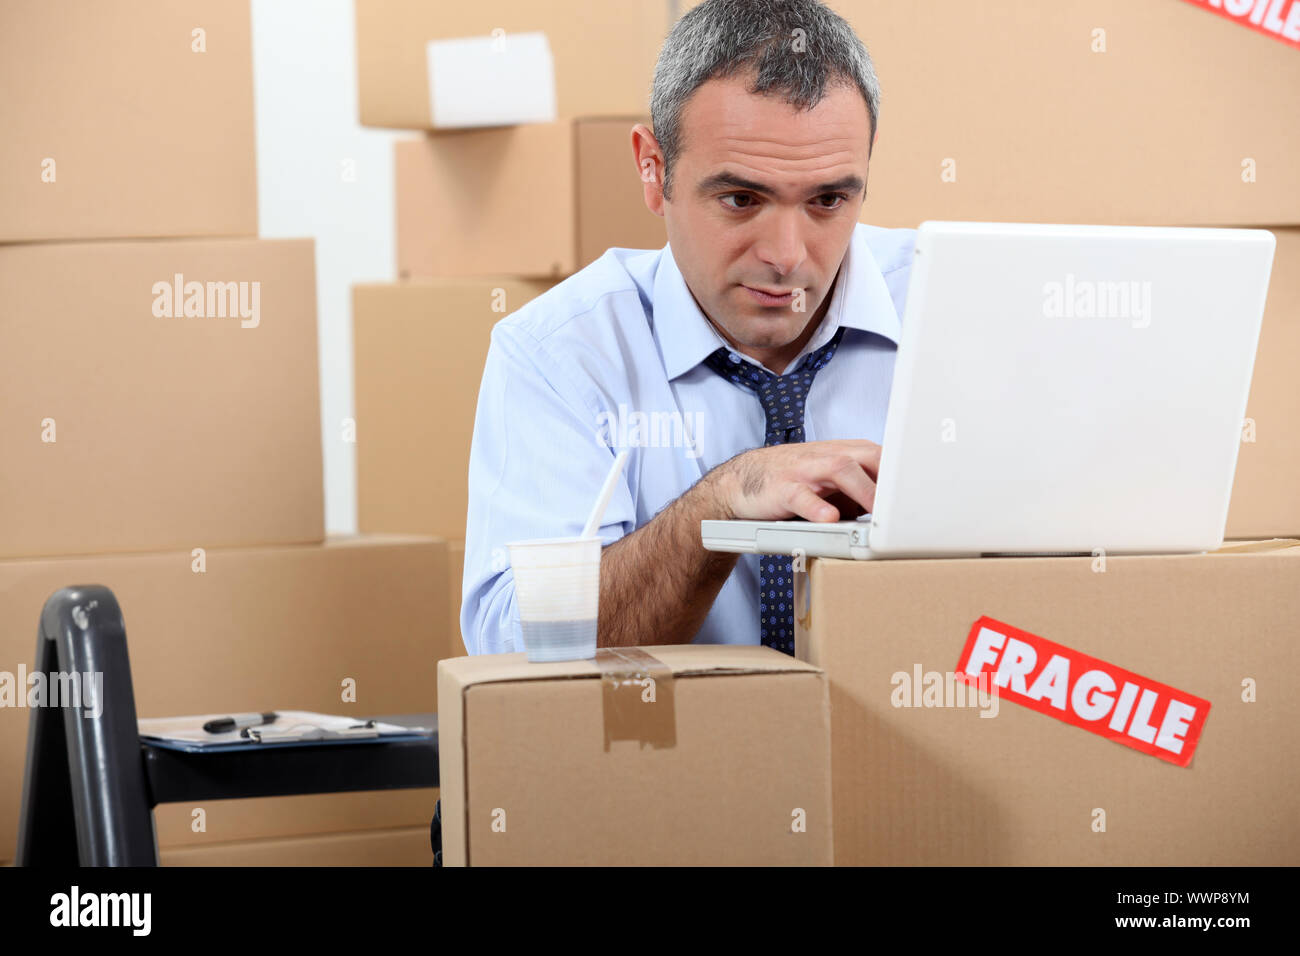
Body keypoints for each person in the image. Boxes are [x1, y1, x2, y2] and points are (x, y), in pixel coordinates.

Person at [460, 0, 916, 656]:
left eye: (827, 200)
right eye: (741, 199)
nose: (786, 255)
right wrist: (718, 507)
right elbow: (515, 651)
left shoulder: (951, 309)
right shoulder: (561, 354)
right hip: (673, 755)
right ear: (654, 170)